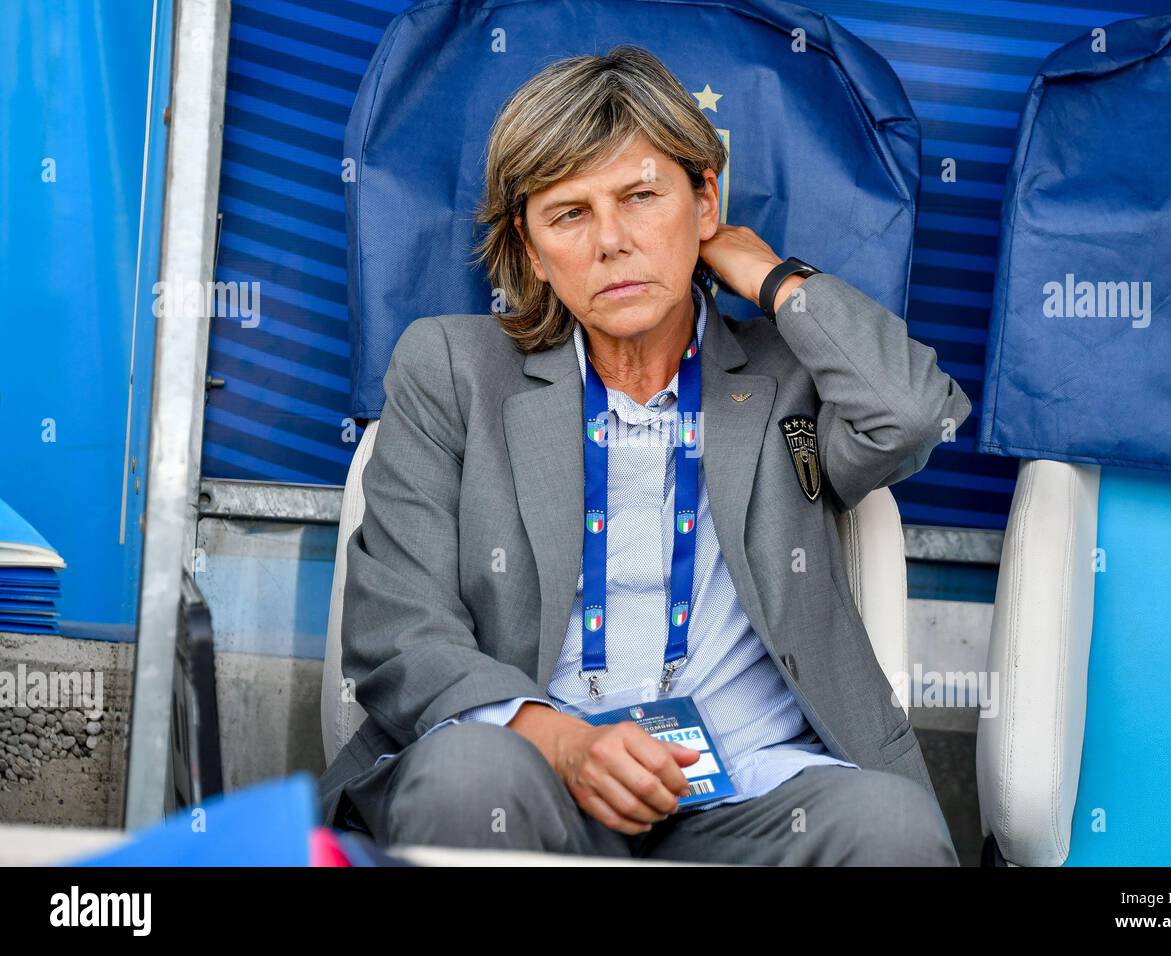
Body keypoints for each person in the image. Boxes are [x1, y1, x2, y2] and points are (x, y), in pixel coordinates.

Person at [318, 45, 970, 865]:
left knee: (889, 830)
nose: (612, 242)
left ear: (705, 200)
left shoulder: (791, 376)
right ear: (528, 248)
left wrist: (771, 279)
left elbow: (911, 417)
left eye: (641, 197)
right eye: (569, 214)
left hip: (750, 790)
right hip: (530, 778)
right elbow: (397, 627)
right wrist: (558, 743)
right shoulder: (452, 369)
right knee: (465, 776)